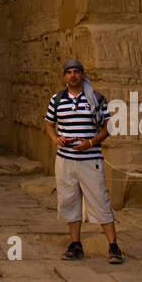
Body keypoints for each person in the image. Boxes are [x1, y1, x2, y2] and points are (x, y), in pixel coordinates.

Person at [44, 59, 123, 264]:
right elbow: (49, 124)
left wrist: (90, 142)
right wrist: (56, 139)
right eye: (69, 72)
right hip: (65, 160)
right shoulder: (57, 99)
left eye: (76, 72)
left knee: (100, 201)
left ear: (82, 74)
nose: (73, 76)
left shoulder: (95, 99)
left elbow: (108, 127)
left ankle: (113, 246)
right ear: (64, 76)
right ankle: (75, 244)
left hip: (90, 160)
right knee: (69, 201)